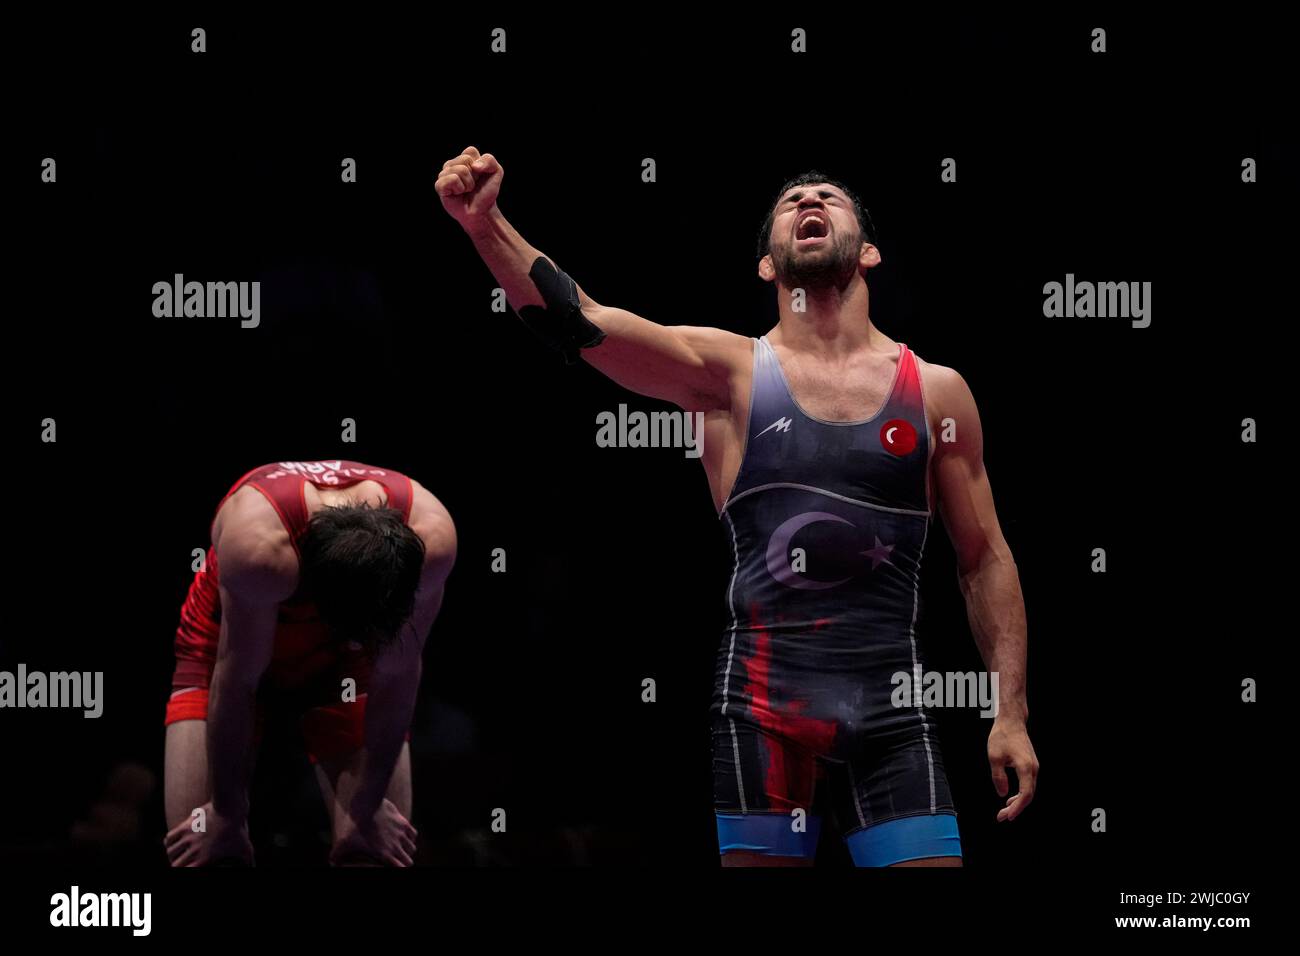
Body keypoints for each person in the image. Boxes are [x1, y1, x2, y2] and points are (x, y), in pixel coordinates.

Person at [437, 147, 1038, 866]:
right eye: (792, 202)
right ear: (767, 264)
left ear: (870, 252)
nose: (809, 201)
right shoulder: (725, 375)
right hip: (762, 710)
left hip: (893, 715)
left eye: (828, 196)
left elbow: (984, 558)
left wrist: (1011, 711)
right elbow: (577, 320)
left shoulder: (938, 391)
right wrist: (485, 225)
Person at [163, 460, 456, 866]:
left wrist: (368, 806)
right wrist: (227, 813)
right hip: (227, 645)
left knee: (373, 849)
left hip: (344, 660)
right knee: (205, 845)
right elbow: (237, 682)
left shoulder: (431, 543)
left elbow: (398, 675)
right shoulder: (261, 551)